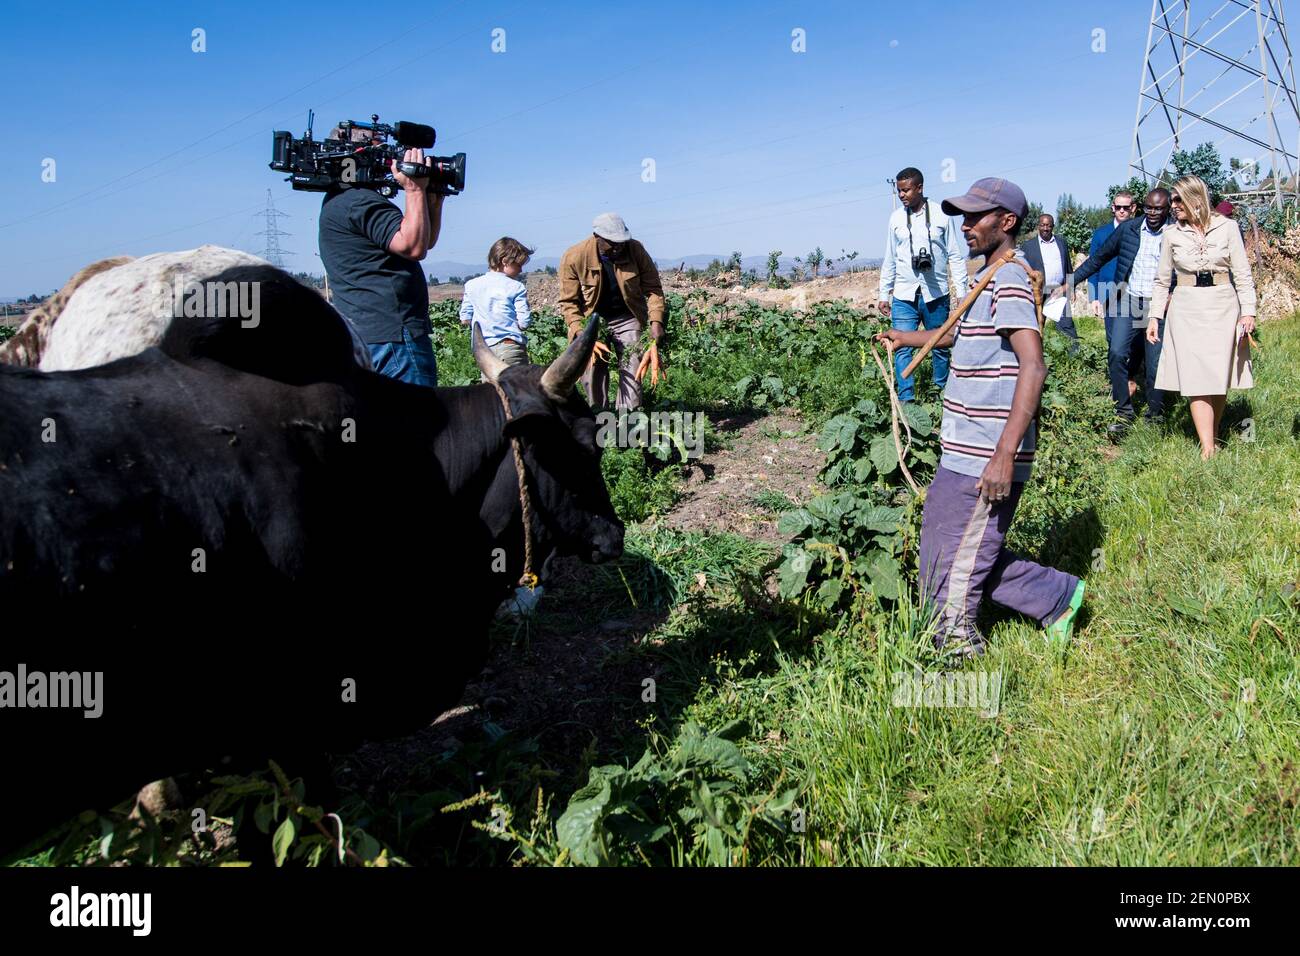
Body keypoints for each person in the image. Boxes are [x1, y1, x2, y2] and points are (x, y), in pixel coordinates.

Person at [877, 177, 1085, 657]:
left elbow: (1033, 364)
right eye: (963, 217)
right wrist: (905, 338)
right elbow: (962, 335)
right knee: (942, 539)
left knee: (961, 550)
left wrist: (1004, 457)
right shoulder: (986, 276)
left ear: (1007, 222)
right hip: (964, 440)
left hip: (990, 446)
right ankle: (1056, 596)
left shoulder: (1009, 278)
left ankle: (953, 644)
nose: (966, 226)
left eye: (976, 217)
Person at [318, 126, 447, 386]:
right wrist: (413, 190)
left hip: (371, 335)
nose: (389, 159)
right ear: (357, 154)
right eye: (379, 149)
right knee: (415, 421)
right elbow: (413, 247)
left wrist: (433, 199)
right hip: (393, 338)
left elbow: (424, 240)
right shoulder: (360, 201)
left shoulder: (341, 200)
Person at [1147, 175, 1257, 460]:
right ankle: (1208, 449)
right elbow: (1162, 281)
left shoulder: (1228, 228)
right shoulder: (1171, 234)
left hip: (1223, 304)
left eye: (1177, 200)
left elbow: (1243, 274)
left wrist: (1248, 311)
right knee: (1195, 378)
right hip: (1186, 308)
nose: (1172, 206)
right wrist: (1154, 317)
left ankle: (1214, 433)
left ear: (1195, 200)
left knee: (1218, 375)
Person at [1062, 188, 1173, 435]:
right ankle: (1123, 413)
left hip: (1158, 305)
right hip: (1129, 300)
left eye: (1159, 209)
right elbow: (1098, 258)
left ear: (1167, 209)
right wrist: (1070, 281)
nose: (1153, 213)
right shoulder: (1129, 229)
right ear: (1142, 207)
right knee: (1116, 352)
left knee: (1155, 365)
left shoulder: (1175, 232)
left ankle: (1155, 415)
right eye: (1149, 208)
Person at [878, 167, 970, 401]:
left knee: (939, 345)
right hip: (904, 294)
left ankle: (940, 396)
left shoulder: (941, 215)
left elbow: (955, 256)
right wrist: (883, 293)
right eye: (899, 191)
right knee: (901, 345)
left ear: (920, 188)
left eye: (906, 190)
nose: (902, 195)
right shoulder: (896, 218)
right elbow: (890, 257)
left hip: (936, 293)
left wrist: (962, 293)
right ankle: (906, 400)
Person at [558, 213, 666, 411]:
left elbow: (653, 289)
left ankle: (628, 421)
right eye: (612, 243)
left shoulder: (635, 249)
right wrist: (582, 334)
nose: (619, 247)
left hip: (627, 316)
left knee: (634, 365)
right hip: (591, 321)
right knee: (592, 371)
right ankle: (599, 418)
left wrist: (656, 322)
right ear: (597, 237)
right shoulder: (574, 256)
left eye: (622, 242)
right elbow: (569, 302)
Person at [1088, 192, 1143, 394]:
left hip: (1136, 292)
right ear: (1112, 207)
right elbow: (1093, 264)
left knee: (1137, 340)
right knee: (1114, 341)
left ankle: (1132, 374)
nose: (1121, 211)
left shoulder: (1141, 231)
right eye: (1118, 207)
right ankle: (1120, 384)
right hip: (1109, 292)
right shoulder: (1101, 234)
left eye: (1126, 207)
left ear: (1133, 208)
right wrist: (1094, 296)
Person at [460, 237, 535, 378]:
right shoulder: (516, 287)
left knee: (492, 396)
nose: (521, 269)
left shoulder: (471, 285)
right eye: (518, 264)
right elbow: (524, 322)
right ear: (505, 261)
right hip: (511, 348)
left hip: (485, 352)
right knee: (517, 395)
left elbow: (465, 318)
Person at [1018, 213, 1078, 352]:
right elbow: (1022, 270)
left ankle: (1074, 357)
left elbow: (1068, 266)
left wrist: (1071, 288)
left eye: (1049, 225)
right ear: (1038, 226)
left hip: (1059, 290)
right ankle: (1034, 356)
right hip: (1038, 292)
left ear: (1053, 226)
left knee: (1067, 324)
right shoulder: (1028, 246)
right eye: (1043, 225)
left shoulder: (1061, 242)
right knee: (1036, 326)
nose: (1046, 228)